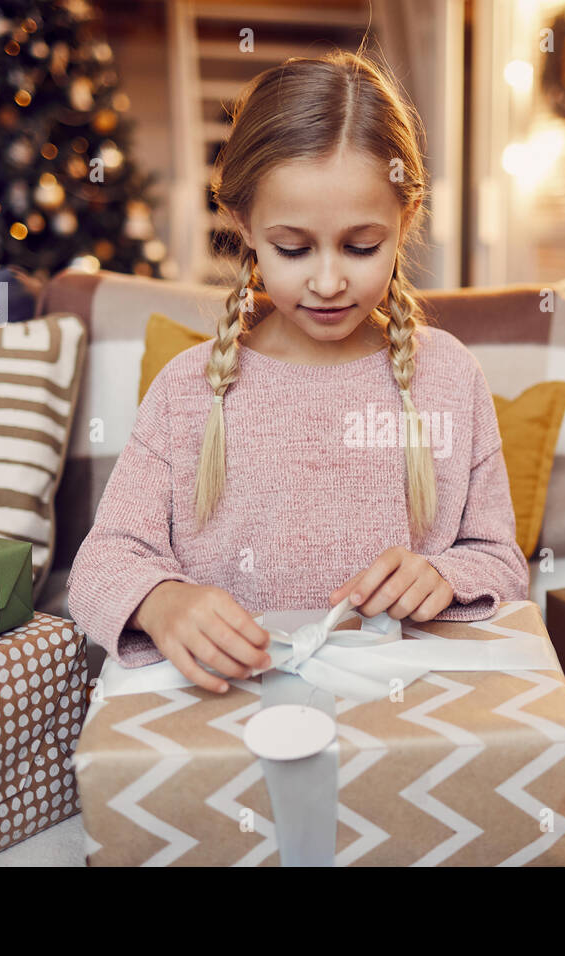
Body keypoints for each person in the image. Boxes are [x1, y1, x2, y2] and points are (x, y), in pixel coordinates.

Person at [66, 50, 528, 693]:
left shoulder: (450, 376)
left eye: (362, 246)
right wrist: (164, 602)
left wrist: (446, 576)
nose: (330, 281)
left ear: (406, 220)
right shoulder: (188, 389)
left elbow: (500, 562)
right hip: (227, 709)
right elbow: (99, 567)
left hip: (397, 708)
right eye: (294, 248)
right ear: (243, 225)